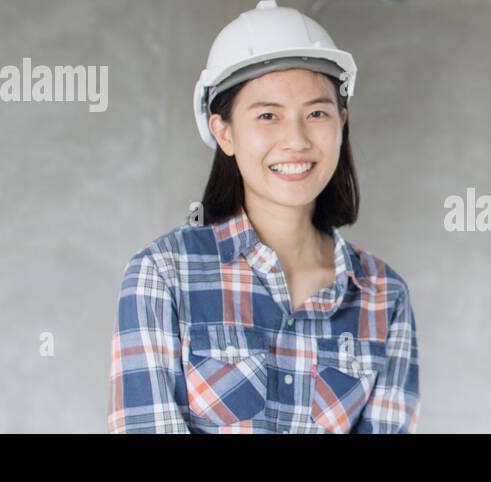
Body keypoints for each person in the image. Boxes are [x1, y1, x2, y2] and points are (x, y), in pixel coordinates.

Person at [108, 2, 418, 434]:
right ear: (224, 132)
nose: (295, 139)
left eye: (317, 113)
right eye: (268, 115)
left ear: (341, 122)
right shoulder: (163, 274)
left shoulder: (384, 296)